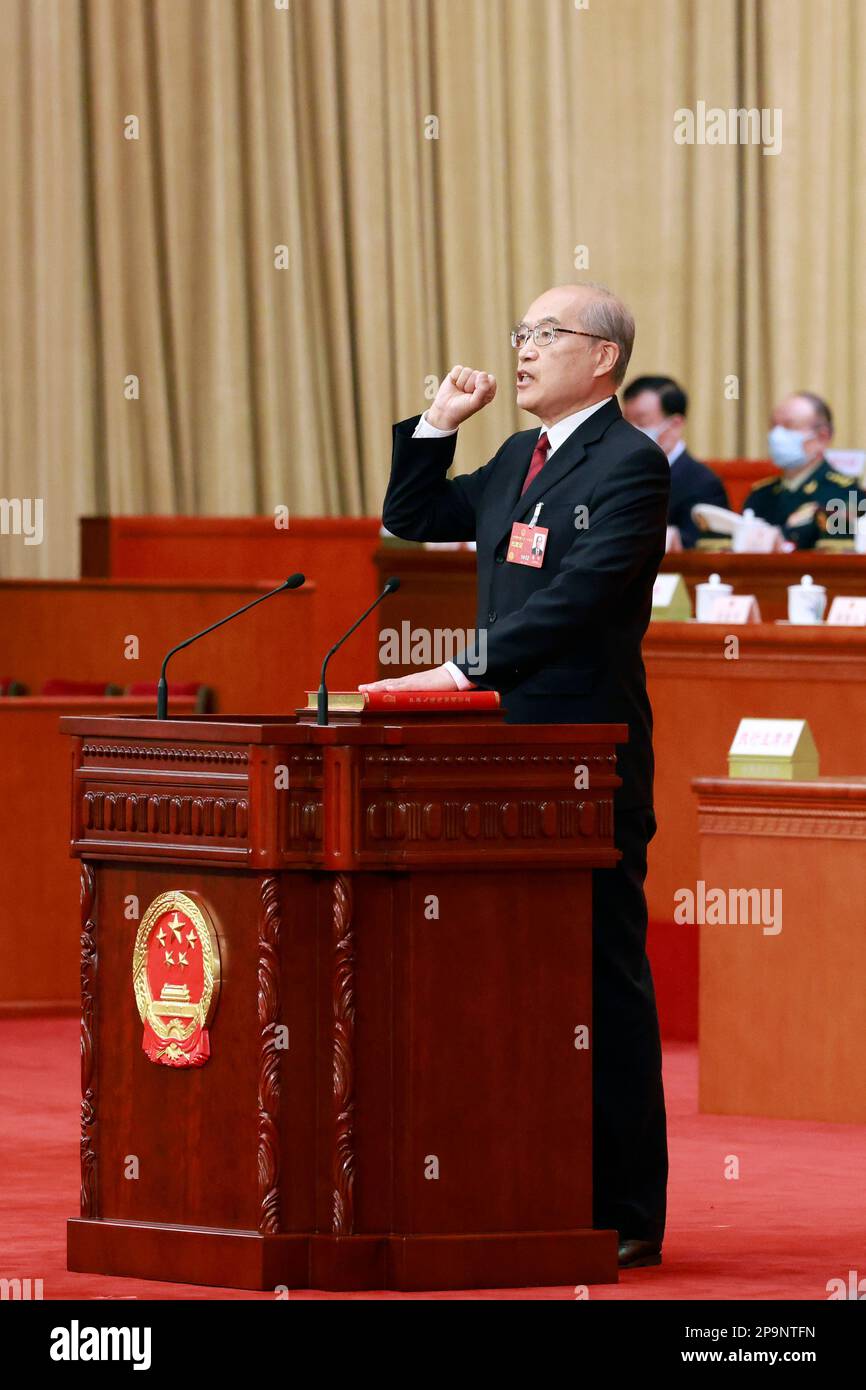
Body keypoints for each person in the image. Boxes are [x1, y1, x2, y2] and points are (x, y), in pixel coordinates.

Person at [360, 282, 670, 1269]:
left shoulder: (626, 465)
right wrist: (435, 424)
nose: (524, 349)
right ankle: (525, 1182)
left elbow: (578, 602)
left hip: (585, 757)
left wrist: (460, 669)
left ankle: (624, 1208)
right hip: (501, 756)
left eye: (546, 334)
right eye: (520, 333)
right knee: (510, 980)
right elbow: (412, 516)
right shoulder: (512, 457)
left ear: (603, 358)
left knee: (596, 979)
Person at [622, 374, 728, 549]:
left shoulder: (704, 484)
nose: (630, 432)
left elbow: (705, 549)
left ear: (675, 424)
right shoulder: (616, 475)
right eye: (626, 422)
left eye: (641, 421)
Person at [744, 392, 863, 548]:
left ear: (822, 436)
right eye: (773, 426)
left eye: (789, 426)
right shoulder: (760, 495)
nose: (776, 436)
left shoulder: (846, 495)